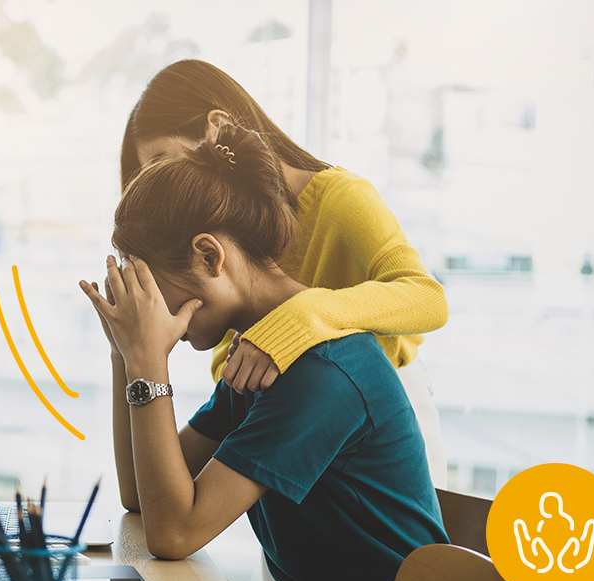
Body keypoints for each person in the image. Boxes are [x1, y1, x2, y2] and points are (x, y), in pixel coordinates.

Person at [79, 124, 448, 581]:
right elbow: (141, 499)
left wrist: (148, 363)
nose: (149, 309)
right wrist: (126, 353)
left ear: (210, 256)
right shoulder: (261, 353)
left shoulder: (320, 372)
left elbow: (175, 533)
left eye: (150, 286)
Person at [120, 59, 448, 487]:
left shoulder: (340, 198)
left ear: (216, 128)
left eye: (162, 162)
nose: (162, 186)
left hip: (374, 428)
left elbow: (427, 298)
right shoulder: (224, 246)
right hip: (285, 415)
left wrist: (299, 317)